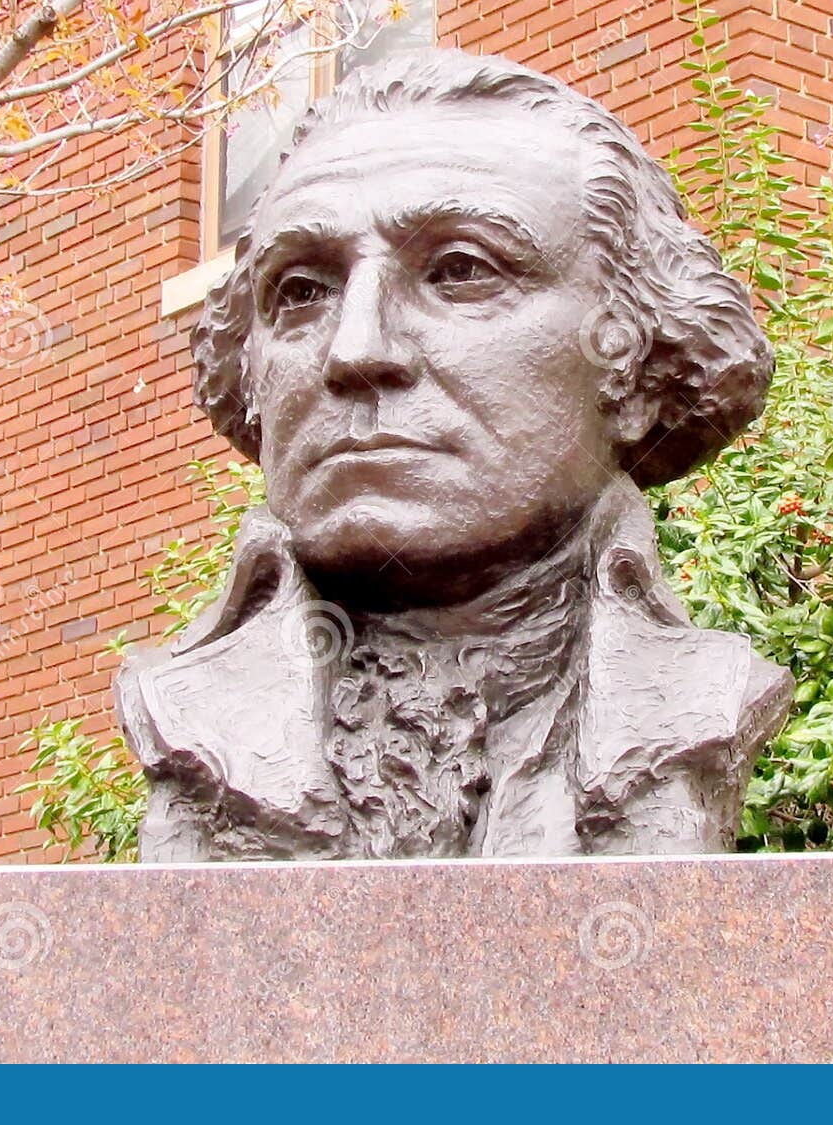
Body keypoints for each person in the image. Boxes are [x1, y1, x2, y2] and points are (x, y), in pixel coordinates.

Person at [117, 49, 792, 861]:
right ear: (251, 377)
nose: (356, 351)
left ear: (633, 359)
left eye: (461, 271)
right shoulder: (186, 720)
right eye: (300, 290)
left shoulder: (699, 706)